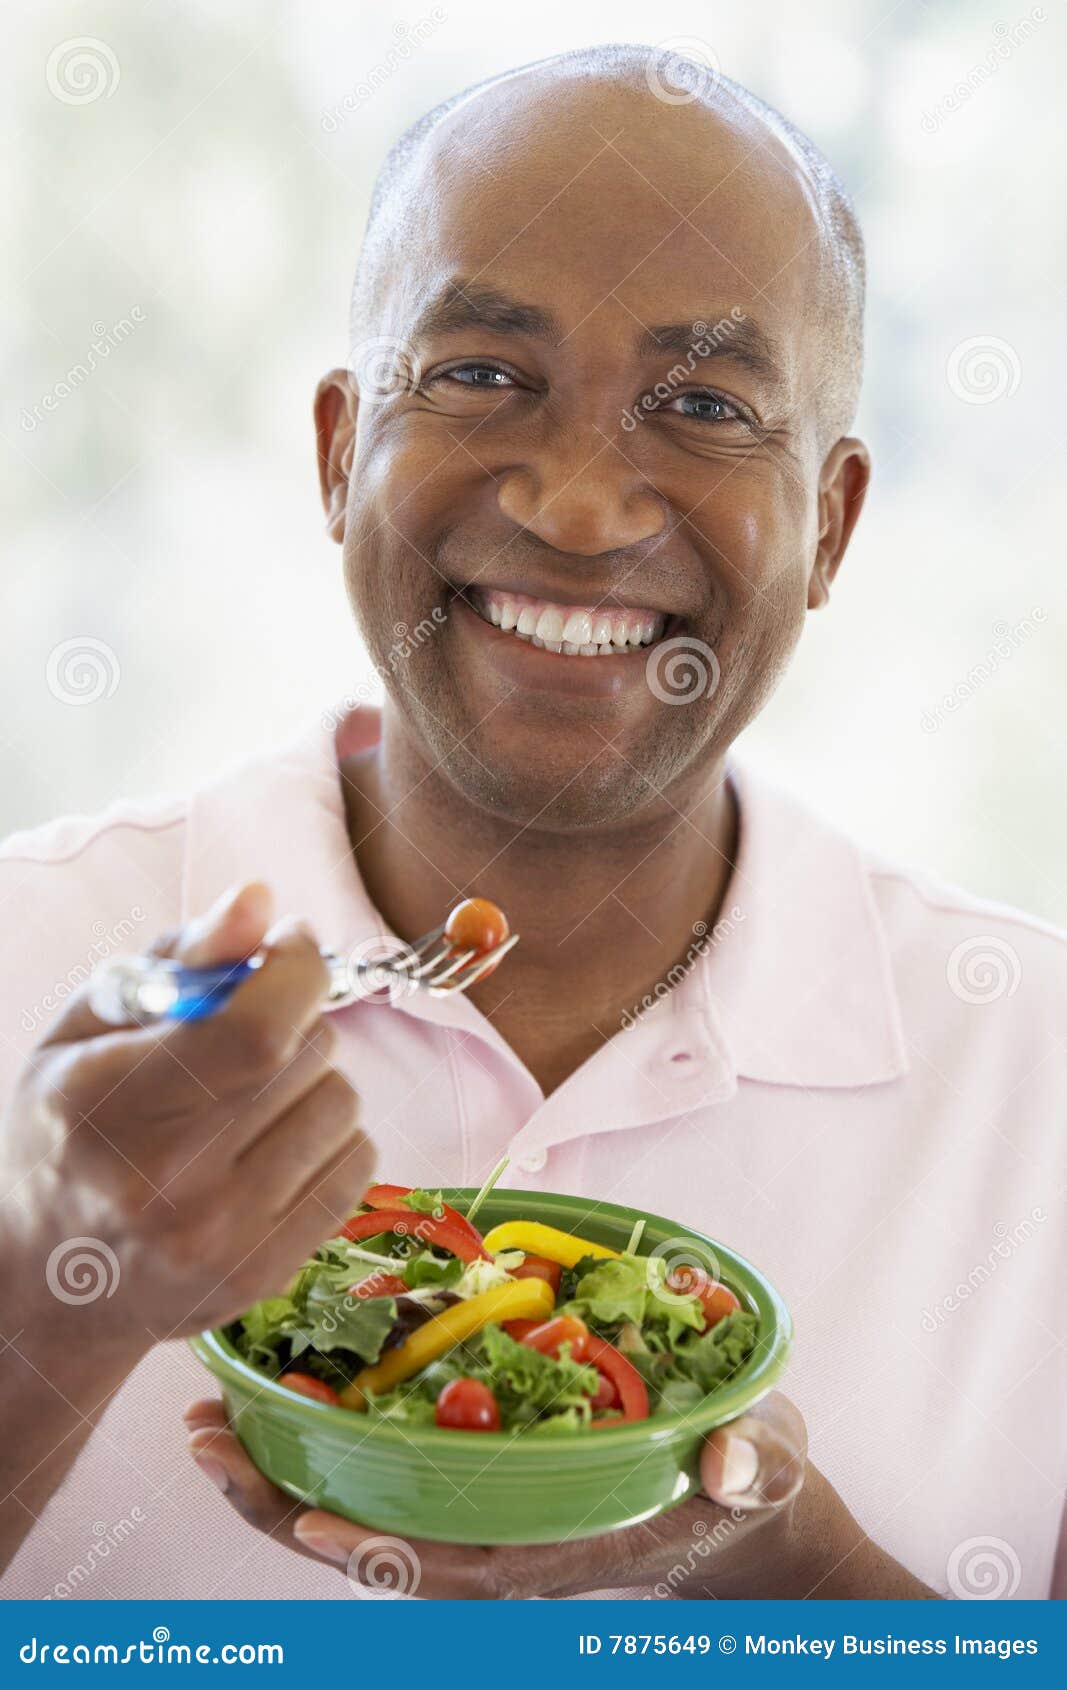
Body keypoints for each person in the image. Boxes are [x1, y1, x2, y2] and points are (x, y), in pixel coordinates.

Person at [1, 45, 1064, 1602]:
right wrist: (52, 1295)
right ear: (335, 452)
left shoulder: (1036, 1073)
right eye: (483, 375)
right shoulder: (36, 958)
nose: (578, 503)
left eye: (702, 403)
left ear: (829, 525)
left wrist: (780, 1559)